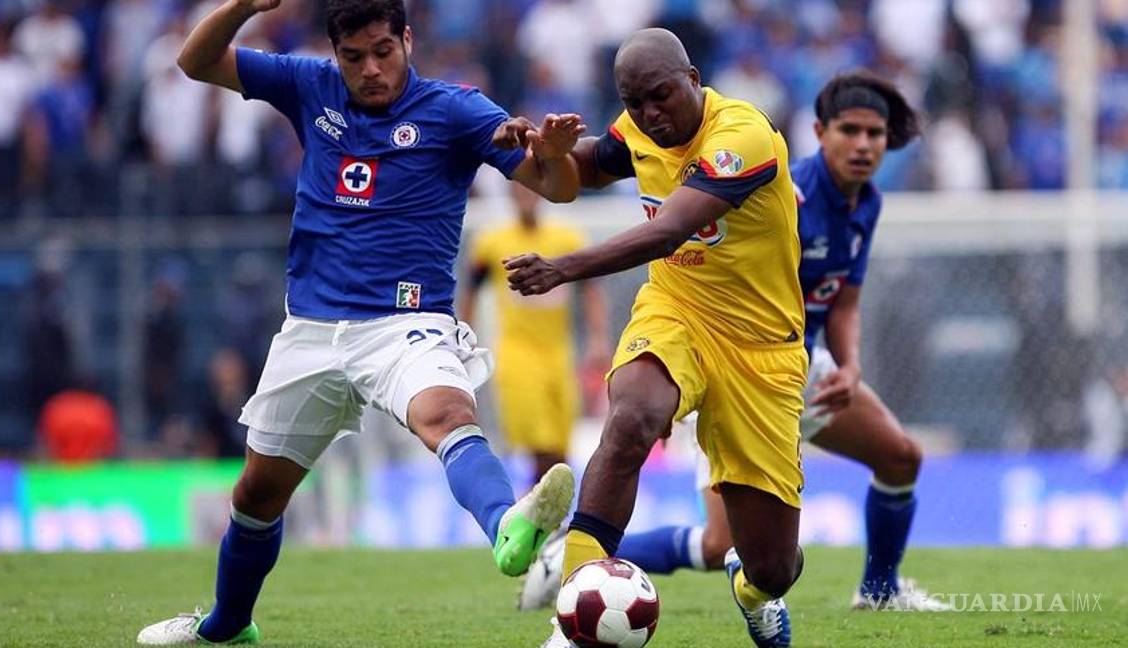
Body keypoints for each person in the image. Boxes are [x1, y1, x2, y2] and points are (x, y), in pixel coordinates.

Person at [136, 0, 587, 644]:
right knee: (256, 497)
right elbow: (195, 61)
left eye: (384, 51)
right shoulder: (307, 84)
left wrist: (557, 154)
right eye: (354, 57)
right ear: (334, 54)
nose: (371, 69)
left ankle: (509, 530)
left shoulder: (457, 109)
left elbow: (559, 188)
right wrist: (244, 7)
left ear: (407, 38)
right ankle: (227, 627)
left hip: (407, 323)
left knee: (449, 416)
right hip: (311, 329)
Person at [521, 72, 949, 615]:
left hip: (793, 363)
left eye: (875, 135)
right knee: (718, 543)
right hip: (718, 344)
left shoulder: (866, 204)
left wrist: (851, 364)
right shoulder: (788, 187)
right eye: (851, 131)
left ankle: (880, 591)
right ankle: (573, 564)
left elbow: (843, 296)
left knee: (898, 458)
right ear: (819, 133)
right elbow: (630, 197)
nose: (864, 146)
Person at [502, 29, 808, 648]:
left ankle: (749, 591)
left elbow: (668, 231)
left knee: (774, 566)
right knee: (633, 415)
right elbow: (586, 167)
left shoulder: (741, 138)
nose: (649, 115)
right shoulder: (639, 126)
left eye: (661, 96)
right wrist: (542, 151)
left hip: (761, 349)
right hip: (678, 311)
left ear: (693, 78)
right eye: (634, 102)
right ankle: (575, 613)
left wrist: (564, 266)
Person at [460, 182, 609, 485]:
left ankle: (544, 510)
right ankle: (545, 510)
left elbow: (591, 288)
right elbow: (471, 292)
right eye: (519, 191)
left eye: (531, 190)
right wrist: (464, 339)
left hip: (559, 354)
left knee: (561, 443)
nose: (526, 197)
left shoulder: (566, 238)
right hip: (518, 355)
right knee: (539, 444)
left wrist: (597, 338)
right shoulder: (492, 242)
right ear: (511, 195)